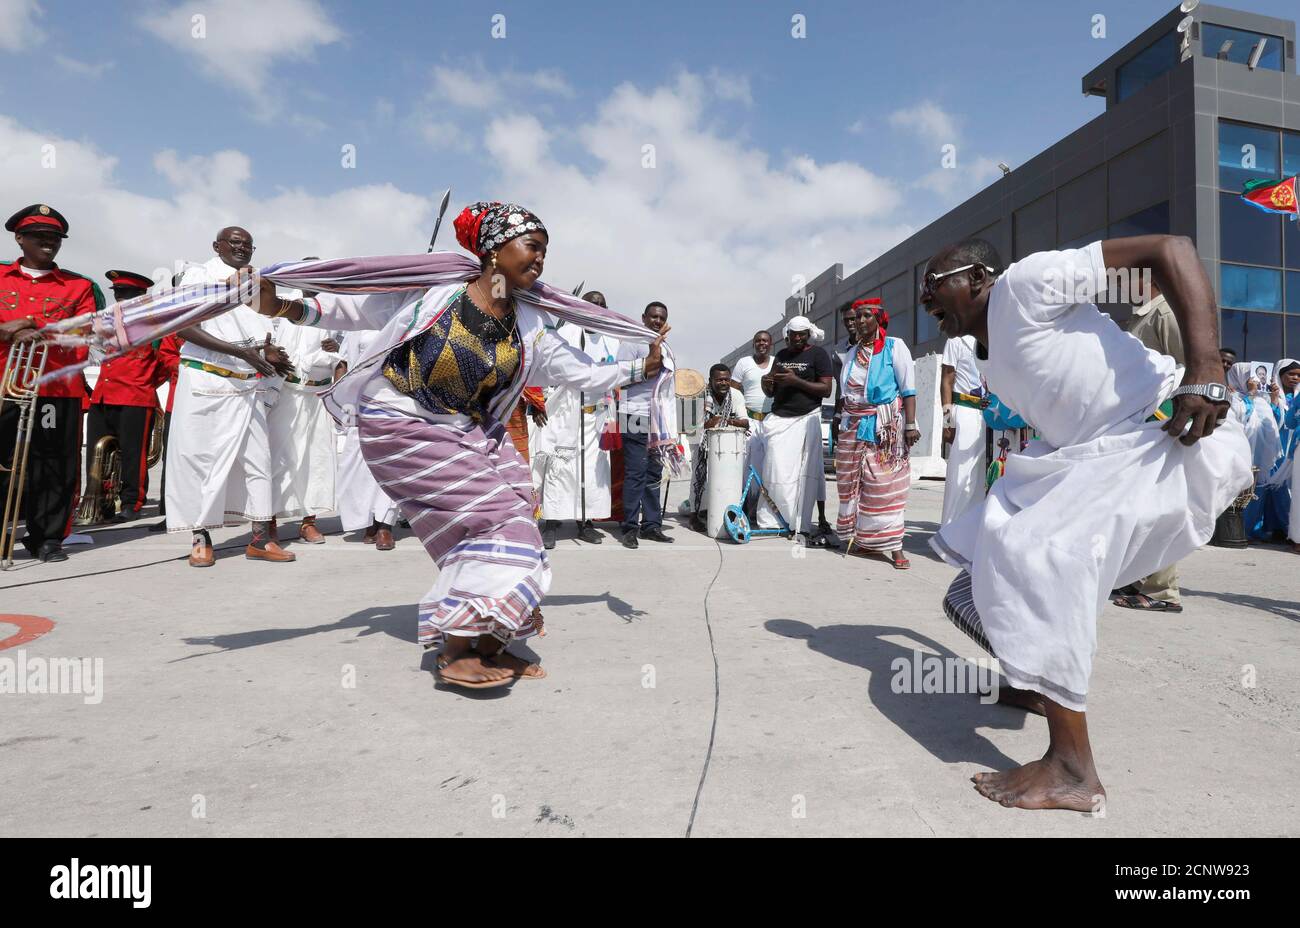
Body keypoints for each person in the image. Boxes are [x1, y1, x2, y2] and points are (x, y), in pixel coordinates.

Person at [241, 201, 671, 689]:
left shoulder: (530, 323)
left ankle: (492, 639)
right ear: (492, 251)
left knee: (516, 517)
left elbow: (581, 373)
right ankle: (455, 646)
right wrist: (279, 305)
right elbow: (354, 309)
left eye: (545, 253)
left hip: (464, 433)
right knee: (498, 523)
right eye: (532, 247)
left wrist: (641, 369)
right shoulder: (437, 291)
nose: (540, 261)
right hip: (399, 426)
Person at [924, 235, 1248, 811]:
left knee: (1043, 560)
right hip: (1100, 455)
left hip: (1169, 432)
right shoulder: (981, 353)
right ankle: (1030, 678)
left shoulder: (1025, 284)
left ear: (976, 277)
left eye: (935, 285)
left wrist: (1204, 368)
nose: (927, 301)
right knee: (984, 556)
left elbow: (1171, 249)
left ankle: (1072, 769)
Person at [166, 226, 296, 566]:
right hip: (206, 382)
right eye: (235, 242)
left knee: (258, 463)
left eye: (249, 245)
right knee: (201, 462)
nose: (242, 248)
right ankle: (201, 538)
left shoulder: (256, 282)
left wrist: (267, 353)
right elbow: (182, 326)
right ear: (217, 245)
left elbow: (260, 332)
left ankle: (260, 540)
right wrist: (242, 353)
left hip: (249, 385)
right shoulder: (198, 274)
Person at [0, 204, 104, 562]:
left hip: (56, 389)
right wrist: (6, 330)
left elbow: (87, 332)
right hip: (5, 385)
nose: (49, 242)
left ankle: (47, 537)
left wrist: (36, 330)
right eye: (40, 236)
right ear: (20, 238)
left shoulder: (79, 286)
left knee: (54, 462)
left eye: (55, 238)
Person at [1111, 281, 1188, 611]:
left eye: (1126, 277)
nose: (1120, 284)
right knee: (1135, 506)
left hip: (1162, 422)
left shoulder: (1166, 314)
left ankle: (1161, 591)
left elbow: (1191, 368)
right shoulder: (1138, 317)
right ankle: (1139, 577)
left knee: (1156, 505)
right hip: (1140, 425)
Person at [834, 299, 917, 568]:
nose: (858, 321)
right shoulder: (851, 353)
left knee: (886, 485)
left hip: (885, 428)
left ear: (879, 319)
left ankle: (895, 547)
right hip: (852, 426)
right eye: (856, 317)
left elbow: (908, 390)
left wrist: (911, 425)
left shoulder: (895, 346)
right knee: (852, 484)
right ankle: (862, 541)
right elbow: (846, 393)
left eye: (865, 316)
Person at [533, 291, 618, 548]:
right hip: (564, 413)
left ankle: (586, 522)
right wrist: (539, 404)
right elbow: (544, 366)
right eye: (592, 303)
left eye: (602, 304)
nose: (597, 307)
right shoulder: (566, 333)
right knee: (559, 469)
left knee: (593, 472)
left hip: (597, 417)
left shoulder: (612, 339)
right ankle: (551, 522)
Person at [84, 270, 166, 522]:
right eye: (118, 294)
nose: (120, 299)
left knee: (132, 455)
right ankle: (100, 501)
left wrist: (143, 384)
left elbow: (164, 363)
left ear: (141, 297)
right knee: (96, 456)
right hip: (103, 396)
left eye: (126, 294)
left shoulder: (155, 325)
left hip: (135, 397)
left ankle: (132, 501)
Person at [266, 267, 340, 544]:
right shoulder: (281, 304)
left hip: (318, 396)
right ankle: (268, 519)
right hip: (285, 393)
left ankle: (309, 521)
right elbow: (268, 342)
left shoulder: (334, 307)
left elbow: (349, 349)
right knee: (279, 457)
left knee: (316, 460)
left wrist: (337, 346)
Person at [757, 315, 833, 540]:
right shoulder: (780, 355)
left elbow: (826, 389)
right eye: (793, 334)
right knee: (775, 468)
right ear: (786, 335)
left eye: (801, 334)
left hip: (806, 418)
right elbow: (772, 390)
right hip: (780, 418)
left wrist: (796, 381)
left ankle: (798, 522)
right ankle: (775, 519)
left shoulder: (818, 355)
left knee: (804, 474)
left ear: (808, 335)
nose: (797, 338)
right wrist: (766, 385)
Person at [333, 331, 399, 550]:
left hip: (394, 396)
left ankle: (385, 525)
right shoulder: (356, 321)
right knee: (356, 464)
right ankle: (367, 523)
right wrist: (340, 402)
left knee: (390, 462)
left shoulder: (401, 312)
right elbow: (342, 364)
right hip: (358, 399)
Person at [617, 301, 673, 549]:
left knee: (654, 473)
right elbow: (621, 379)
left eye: (661, 318)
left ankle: (652, 525)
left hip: (657, 418)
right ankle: (630, 527)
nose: (657, 321)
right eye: (653, 317)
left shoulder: (667, 347)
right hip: (633, 413)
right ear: (643, 318)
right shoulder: (631, 342)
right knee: (635, 472)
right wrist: (650, 362)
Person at [690, 362, 748, 531]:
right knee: (698, 475)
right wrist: (709, 424)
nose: (724, 383)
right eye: (719, 380)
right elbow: (694, 426)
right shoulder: (700, 396)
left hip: (725, 440)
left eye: (727, 380)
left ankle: (718, 510)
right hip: (699, 439)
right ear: (710, 381)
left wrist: (723, 420)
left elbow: (745, 423)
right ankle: (694, 515)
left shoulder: (735, 395)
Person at [939, 333, 985, 525]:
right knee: (961, 477)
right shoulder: (956, 340)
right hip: (965, 411)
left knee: (981, 478)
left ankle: (971, 531)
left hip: (990, 414)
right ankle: (950, 530)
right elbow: (946, 382)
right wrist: (947, 422)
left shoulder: (991, 334)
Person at [731, 330, 774, 423]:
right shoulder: (743, 362)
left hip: (773, 419)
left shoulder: (777, 362)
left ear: (771, 344)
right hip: (750, 418)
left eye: (765, 340)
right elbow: (733, 391)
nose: (761, 343)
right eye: (758, 341)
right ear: (753, 344)